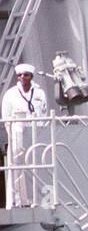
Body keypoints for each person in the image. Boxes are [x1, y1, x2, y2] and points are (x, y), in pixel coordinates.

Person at [3, 64, 49, 206]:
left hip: (35, 133)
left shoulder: (39, 94)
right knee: (16, 167)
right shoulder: (10, 94)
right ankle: (16, 202)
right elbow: (6, 117)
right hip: (17, 135)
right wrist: (12, 134)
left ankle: (35, 199)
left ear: (31, 76)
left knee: (35, 166)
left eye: (26, 75)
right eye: (20, 75)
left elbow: (44, 114)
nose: (22, 77)